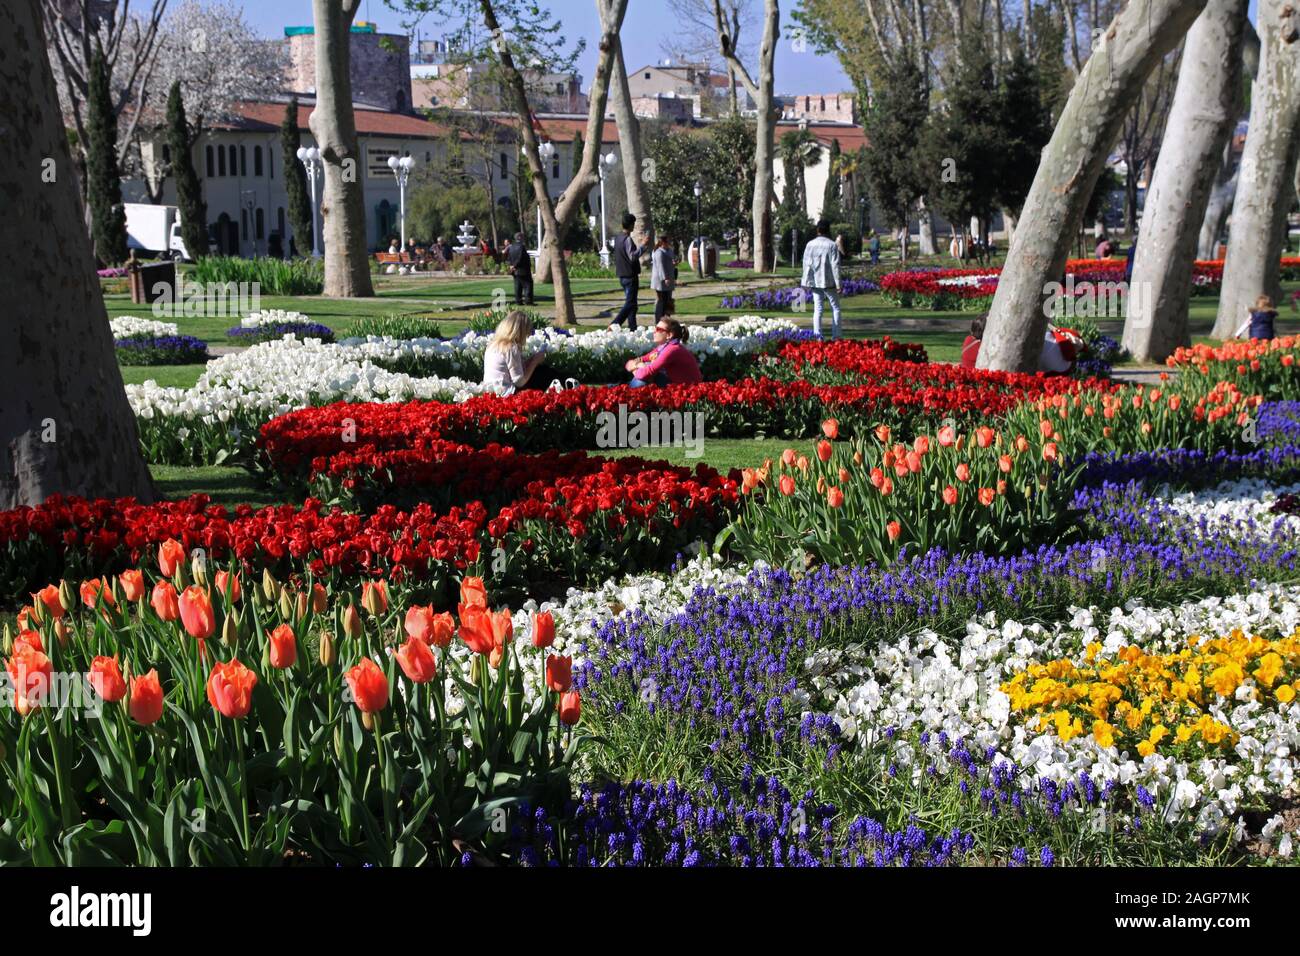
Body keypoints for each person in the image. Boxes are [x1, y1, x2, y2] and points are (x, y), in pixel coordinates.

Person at [482, 310, 546, 395]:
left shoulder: (492, 345)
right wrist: (534, 362)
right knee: (543, 374)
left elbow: (512, 370)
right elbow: (519, 381)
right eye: (526, 334)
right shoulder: (510, 348)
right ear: (521, 333)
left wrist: (531, 360)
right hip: (506, 393)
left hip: (490, 391)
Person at [625, 318, 702, 387]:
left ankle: (628, 398)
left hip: (687, 390)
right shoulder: (663, 348)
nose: (654, 332)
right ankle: (628, 397)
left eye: (658, 329)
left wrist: (638, 366)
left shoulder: (672, 349)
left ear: (669, 335)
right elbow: (634, 362)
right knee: (648, 371)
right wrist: (638, 366)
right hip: (674, 384)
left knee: (646, 375)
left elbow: (643, 374)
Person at [801, 219, 842, 339]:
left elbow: (806, 263)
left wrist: (805, 280)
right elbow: (835, 265)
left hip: (815, 281)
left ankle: (818, 337)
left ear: (817, 230)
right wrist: (838, 283)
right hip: (829, 281)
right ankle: (837, 336)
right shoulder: (832, 245)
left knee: (818, 309)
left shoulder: (810, 244)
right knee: (836, 308)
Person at [611, 213, 641, 330]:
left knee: (633, 305)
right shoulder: (627, 239)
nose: (634, 226)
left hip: (622, 275)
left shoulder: (618, 238)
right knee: (630, 304)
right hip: (630, 276)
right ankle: (615, 324)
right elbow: (632, 257)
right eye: (633, 224)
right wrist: (642, 247)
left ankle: (632, 328)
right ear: (630, 225)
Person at [650, 234, 677, 321]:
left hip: (669, 278)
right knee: (662, 301)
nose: (669, 243)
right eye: (668, 241)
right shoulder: (658, 252)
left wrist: (674, 263)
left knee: (668, 300)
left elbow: (669, 261)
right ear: (663, 242)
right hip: (661, 281)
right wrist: (665, 278)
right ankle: (658, 319)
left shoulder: (668, 250)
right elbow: (660, 266)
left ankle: (666, 319)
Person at [505, 232, 534, 306]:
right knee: (528, 285)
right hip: (523, 269)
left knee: (518, 286)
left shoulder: (511, 247)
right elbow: (520, 258)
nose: (524, 238)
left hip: (515, 271)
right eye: (522, 237)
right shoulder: (522, 247)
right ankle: (528, 301)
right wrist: (515, 265)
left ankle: (518, 301)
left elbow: (509, 258)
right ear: (520, 238)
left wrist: (511, 266)